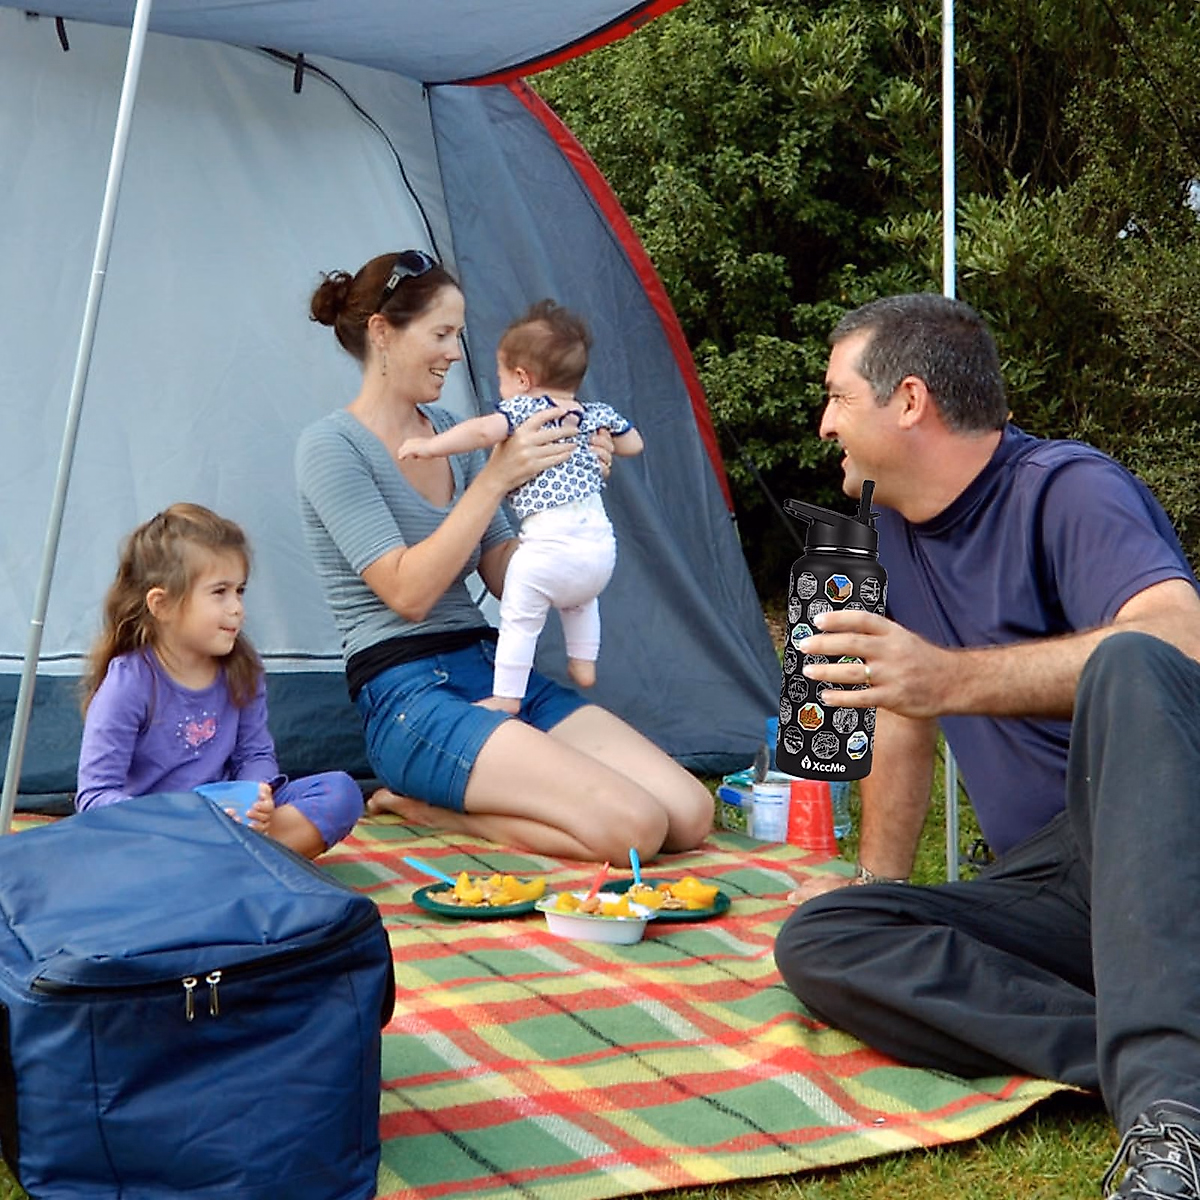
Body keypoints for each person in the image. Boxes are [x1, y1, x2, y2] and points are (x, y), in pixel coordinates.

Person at [772, 293, 1200, 1200]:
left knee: (1128, 661)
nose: (824, 424)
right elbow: (903, 711)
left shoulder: (1066, 490)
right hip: (1055, 888)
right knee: (828, 936)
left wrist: (948, 679)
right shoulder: (887, 532)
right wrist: (876, 881)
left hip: (1162, 853)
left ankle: (1172, 1114)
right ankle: (1148, 1040)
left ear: (910, 400)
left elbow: (1178, 640)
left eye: (838, 397)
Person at [296, 249, 711, 865]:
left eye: (458, 335)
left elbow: (501, 570)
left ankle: (480, 796)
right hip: (409, 693)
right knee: (636, 829)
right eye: (441, 334)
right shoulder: (332, 447)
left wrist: (568, 508)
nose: (454, 352)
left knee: (689, 812)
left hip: (492, 670)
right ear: (383, 333)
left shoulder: (452, 430)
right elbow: (408, 594)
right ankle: (431, 810)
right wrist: (494, 479)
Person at [76, 503, 364, 859]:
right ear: (162, 605)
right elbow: (95, 796)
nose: (237, 607)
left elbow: (255, 754)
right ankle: (237, 860)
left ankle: (224, 860)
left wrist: (257, 795)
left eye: (240, 590)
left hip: (229, 818)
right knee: (109, 843)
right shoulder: (129, 683)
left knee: (340, 793)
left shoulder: (242, 669)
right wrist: (177, 823)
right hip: (160, 830)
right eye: (219, 592)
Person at [396, 299, 644, 713]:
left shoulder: (526, 409)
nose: (501, 389)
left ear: (523, 378)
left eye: (501, 378)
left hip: (550, 552)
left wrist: (432, 446)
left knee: (519, 616)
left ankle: (507, 696)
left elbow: (480, 432)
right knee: (581, 600)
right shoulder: (592, 413)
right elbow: (634, 443)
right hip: (600, 549)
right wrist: (607, 442)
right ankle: (584, 663)